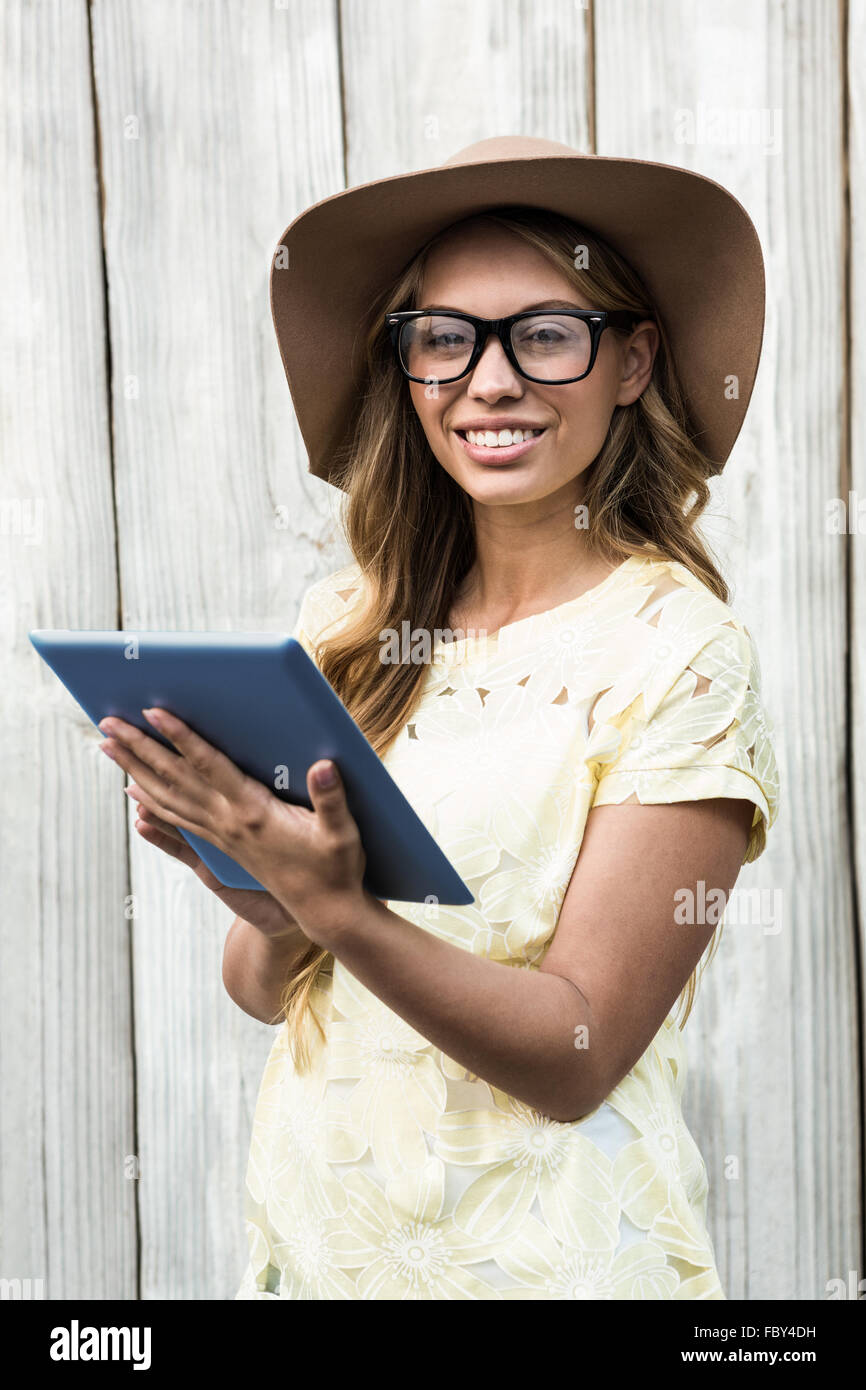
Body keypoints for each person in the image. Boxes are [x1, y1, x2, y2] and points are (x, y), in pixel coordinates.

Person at [107, 137, 780, 1299]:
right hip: (321, 1261)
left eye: (547, 334)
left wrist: (337, 909)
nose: (491, 380)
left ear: (633, 361)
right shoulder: (348, 629)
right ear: (407, 367)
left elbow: (575, 1054)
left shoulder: (680, 653)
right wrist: (270, 910)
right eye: (444, 337)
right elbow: (268, 990)